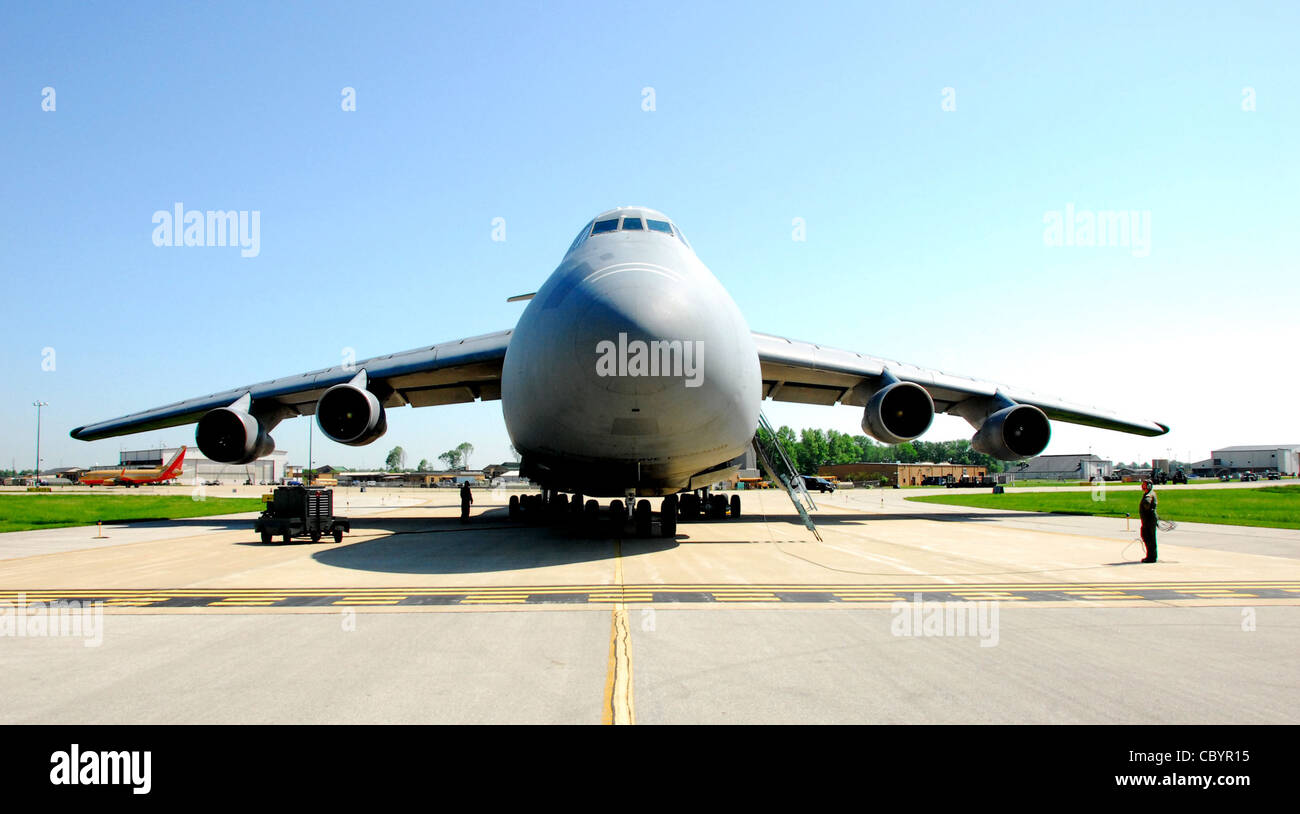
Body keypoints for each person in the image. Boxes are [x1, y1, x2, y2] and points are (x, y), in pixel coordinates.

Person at [1138, 479, 1158, 562]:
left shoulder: (1149, 495)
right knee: (1147, 537)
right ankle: (1150, 556)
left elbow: (1147, 504)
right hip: (1147, 519)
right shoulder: (1148, 493)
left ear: (1149, 486)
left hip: (1149, 519)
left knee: (1150, 538)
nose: (1142, 486)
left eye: (1144, 484)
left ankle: (1151, 557)